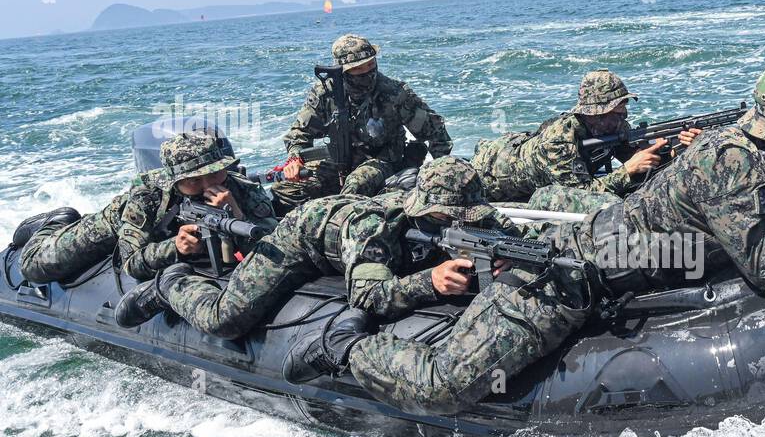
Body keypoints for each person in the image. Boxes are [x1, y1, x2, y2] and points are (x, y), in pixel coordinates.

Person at [284, 49, 765, 415]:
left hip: (620, 265)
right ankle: (344, 347)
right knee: (442, 385)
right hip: (558, 281)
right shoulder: (732, 160)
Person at [114, 158, 511, 338]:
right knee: (226, 321)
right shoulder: (373, 229)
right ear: (424, 210)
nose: (462, 223)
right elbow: (367, 296)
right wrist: (431, 282)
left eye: (468, 216)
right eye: (449, 217)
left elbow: (507, 232)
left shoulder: (464, 215)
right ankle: (171, 285)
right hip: (303, 239)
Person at [272, 34, 452, 211]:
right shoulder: (325, 94)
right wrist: (294, 158)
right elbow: (299, 133)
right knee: (286, 190)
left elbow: (436, 132)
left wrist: (437, 175)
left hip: (383, 162)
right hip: (338, 162)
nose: (367, 71)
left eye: (371, 64)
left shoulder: (394, 93)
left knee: (355, 185)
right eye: (358, 69)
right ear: (342, 70)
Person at [470, 69, 668, 204]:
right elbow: (581, 194)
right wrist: (628, 170)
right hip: (489, 177)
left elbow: (637, 156)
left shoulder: (611, 125)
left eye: (624, 112)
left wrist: (673, 149)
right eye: (617, 113)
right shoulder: (558, 143)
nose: (623, 119)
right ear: (595, 113)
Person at [113, 132, 276, 282]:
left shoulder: (243, 188)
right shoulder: (149, 197)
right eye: (194, 180)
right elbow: (130, 263)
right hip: (114, 218)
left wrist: (238, 215)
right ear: (175, 183)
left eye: (214, 173)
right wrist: (173, 247)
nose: (208, 185)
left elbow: (276, 248)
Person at [13, 167, 166, 284]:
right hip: (106, 230)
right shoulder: (146, 191)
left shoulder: (187, 196)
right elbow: (133, 261)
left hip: (151, 231)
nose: (191, 180)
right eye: (188, 178)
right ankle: (57, 221)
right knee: (32, 267)